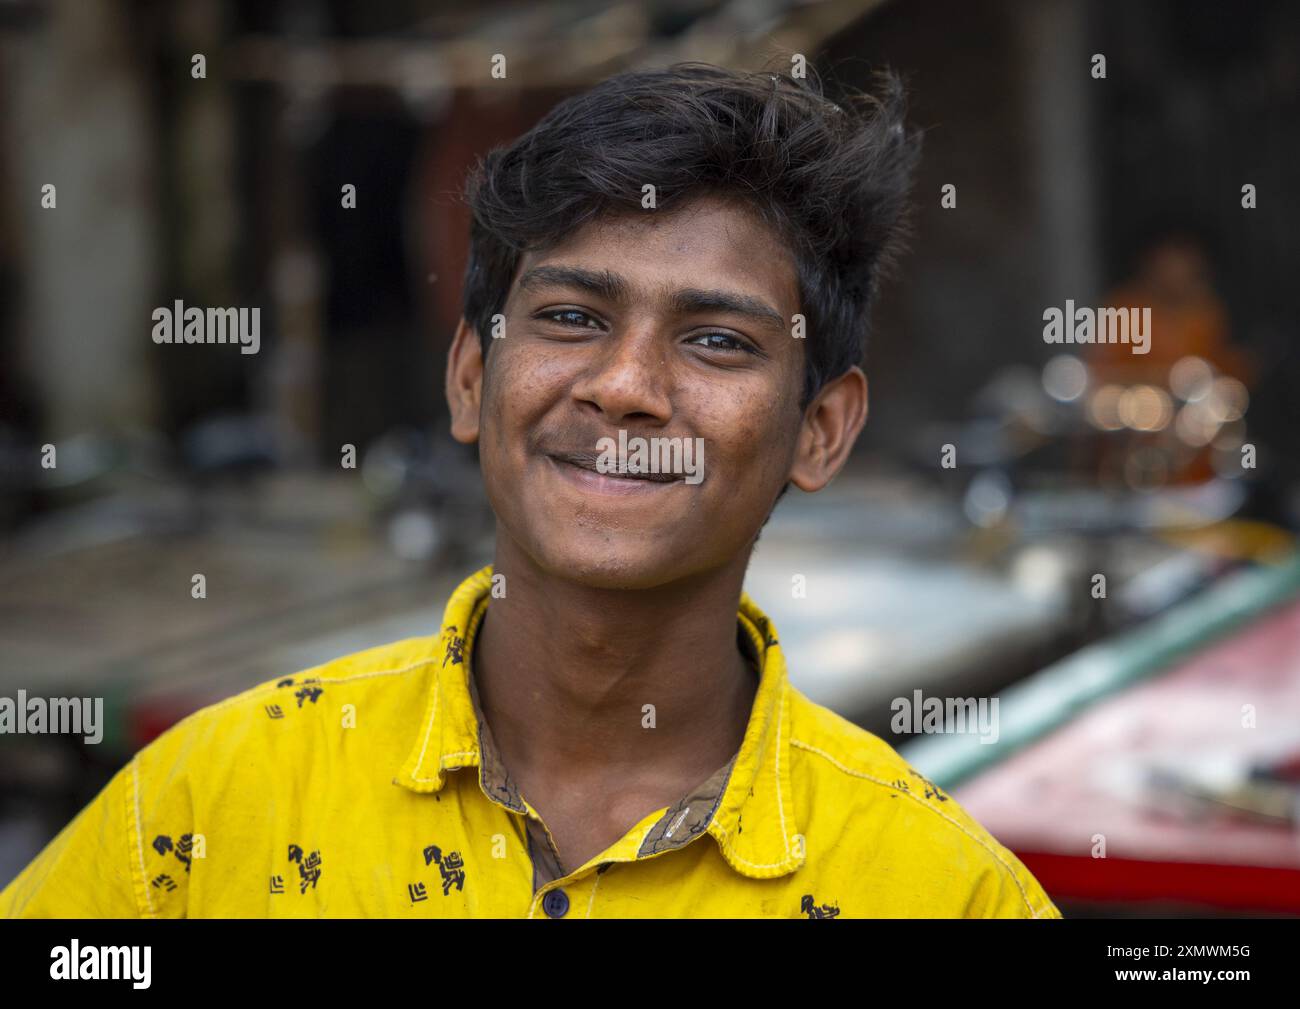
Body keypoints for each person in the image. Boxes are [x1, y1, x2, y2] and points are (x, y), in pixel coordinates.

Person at [1, 63, 1060, 918]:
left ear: (819, 430)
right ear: (470, 378)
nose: (625, 387)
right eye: (570, 318)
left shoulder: (939, 892)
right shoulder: (207, 809)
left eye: (716, 340)